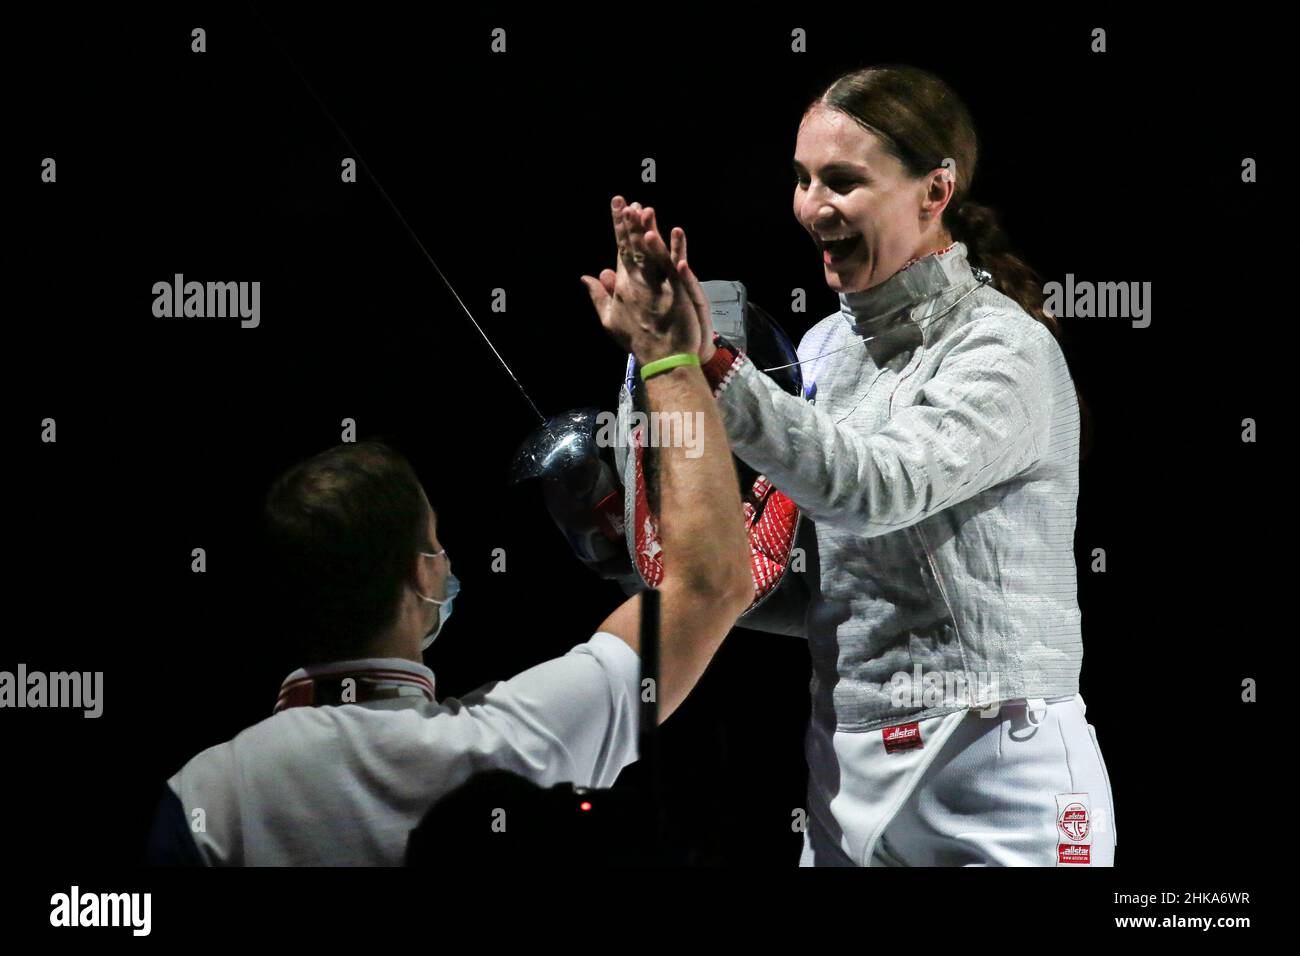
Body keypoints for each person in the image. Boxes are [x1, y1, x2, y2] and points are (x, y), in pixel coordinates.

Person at [609, 64, 1116, 866]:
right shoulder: (823, 350)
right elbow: (825, 587)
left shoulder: (1004, 348)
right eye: (803, 179)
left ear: (934, 191)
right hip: (845, 771)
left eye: (842, 181)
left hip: (993, 768)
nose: (812, 206)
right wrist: (692, 570)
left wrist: (708, 364)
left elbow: (876, 488)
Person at [145, 202, 754, 865]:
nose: (448, 561)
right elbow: (710, 581)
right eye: (434, 544)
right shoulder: (507, 742)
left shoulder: (206, 794)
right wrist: (668, 354)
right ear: (416, 576)